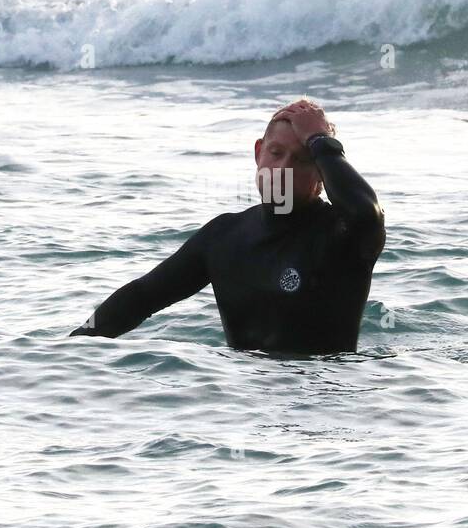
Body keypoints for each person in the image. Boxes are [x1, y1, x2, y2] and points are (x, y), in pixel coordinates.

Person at [70, 99, 385, 354]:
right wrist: (72, 346)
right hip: (240, 408)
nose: (284, 168)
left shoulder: (341, 237)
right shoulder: (225, 236)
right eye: (276, 153)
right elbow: (143, 296)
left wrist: (321, 142)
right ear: (258, 152)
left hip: (324, 402)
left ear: (322, 174)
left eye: (302, 160)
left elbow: (366, 214)